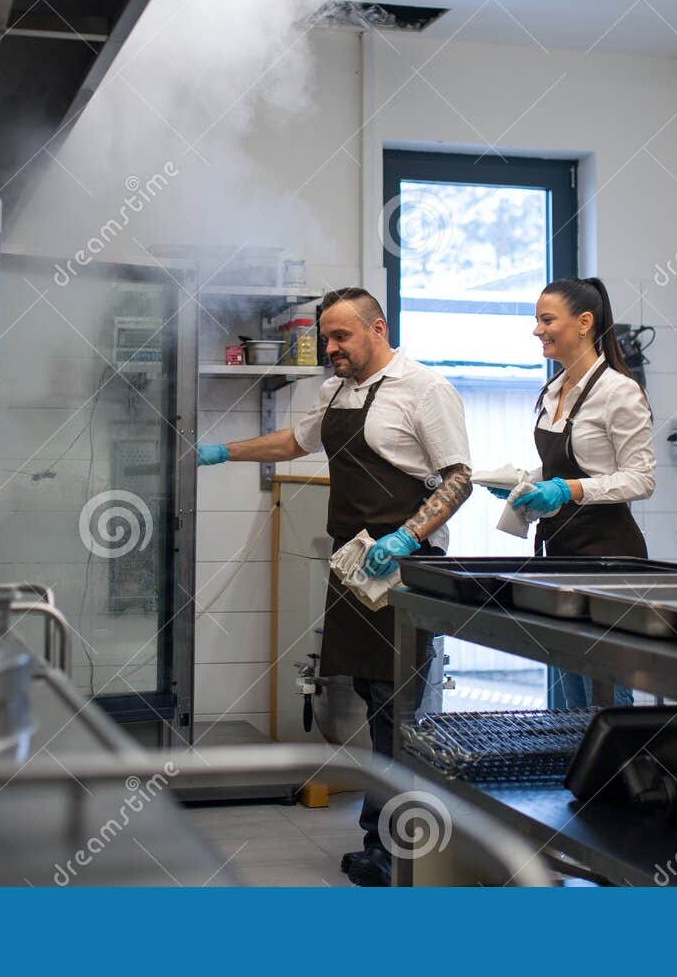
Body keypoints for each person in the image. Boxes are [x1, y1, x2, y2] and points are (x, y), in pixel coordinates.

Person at [196, 286, 472, 887]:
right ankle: (386, 838)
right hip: (353, 563)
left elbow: (458, 479)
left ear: (378, 329)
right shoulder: (336, 390)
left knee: (398, 706)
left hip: (406, 566)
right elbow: (298, 442)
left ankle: (398, 846)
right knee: (376, 701)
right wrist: (223, 452)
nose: (330, 347)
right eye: (326, 337)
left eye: (341, 335)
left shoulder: (426, 389)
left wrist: (406, 537)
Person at [493, 276, 655, 708]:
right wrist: (522, 486)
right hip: (559, 556)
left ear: (584, 322)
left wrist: (566, 490)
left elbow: (641, 478)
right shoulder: (553, 389)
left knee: (607, 694)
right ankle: (582, 775)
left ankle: (619, 776)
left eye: (547, 319)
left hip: (608, 561)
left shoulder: (619, 391)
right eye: (536, 320)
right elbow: (557, 468)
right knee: (570, 694)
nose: (536, 330)